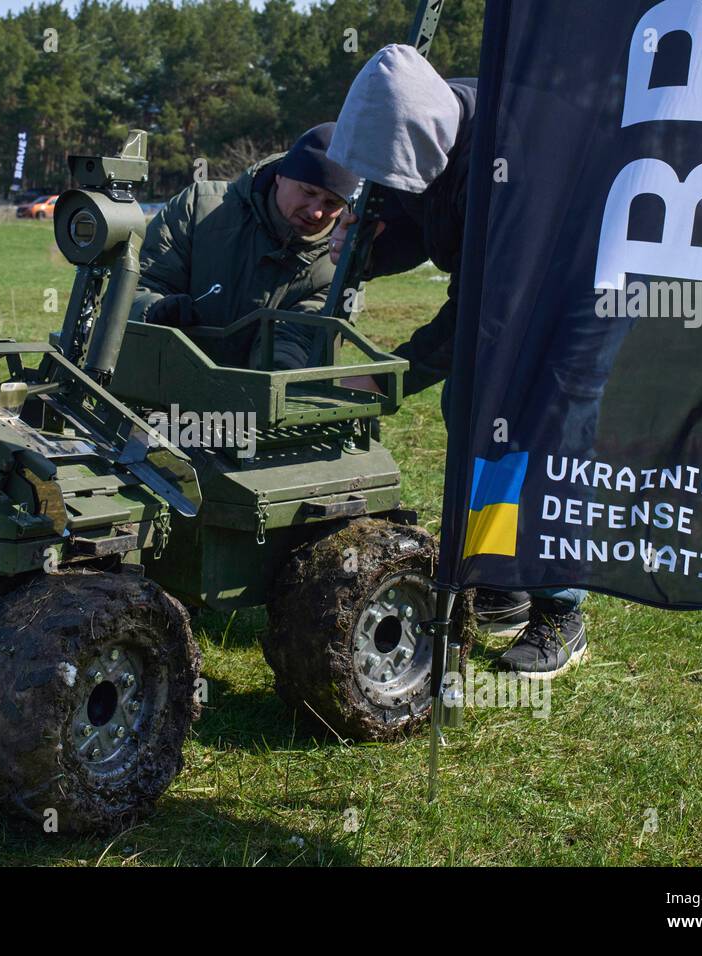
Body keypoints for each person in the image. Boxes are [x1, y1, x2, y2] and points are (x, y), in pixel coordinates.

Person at [327, 44, 588, 678]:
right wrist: (368, 246)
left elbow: (479, 313)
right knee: (471, 414)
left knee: (545, 433)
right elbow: (423, 214)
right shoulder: (425, 121)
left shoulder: (513, 164)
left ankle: (562, 609)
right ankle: (505, 577)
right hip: (501, 288)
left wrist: (393, 373)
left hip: (579, 292)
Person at [130, 122, 358, 369]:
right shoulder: (200, 209)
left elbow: (301, 336)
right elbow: (138, 285)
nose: (316, 212)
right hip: (163, 381)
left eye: (331, 203)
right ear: (281, 175)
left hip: (258, 399)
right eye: (308, 192)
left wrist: (276, 376)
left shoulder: (342, 261)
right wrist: (155, 309)